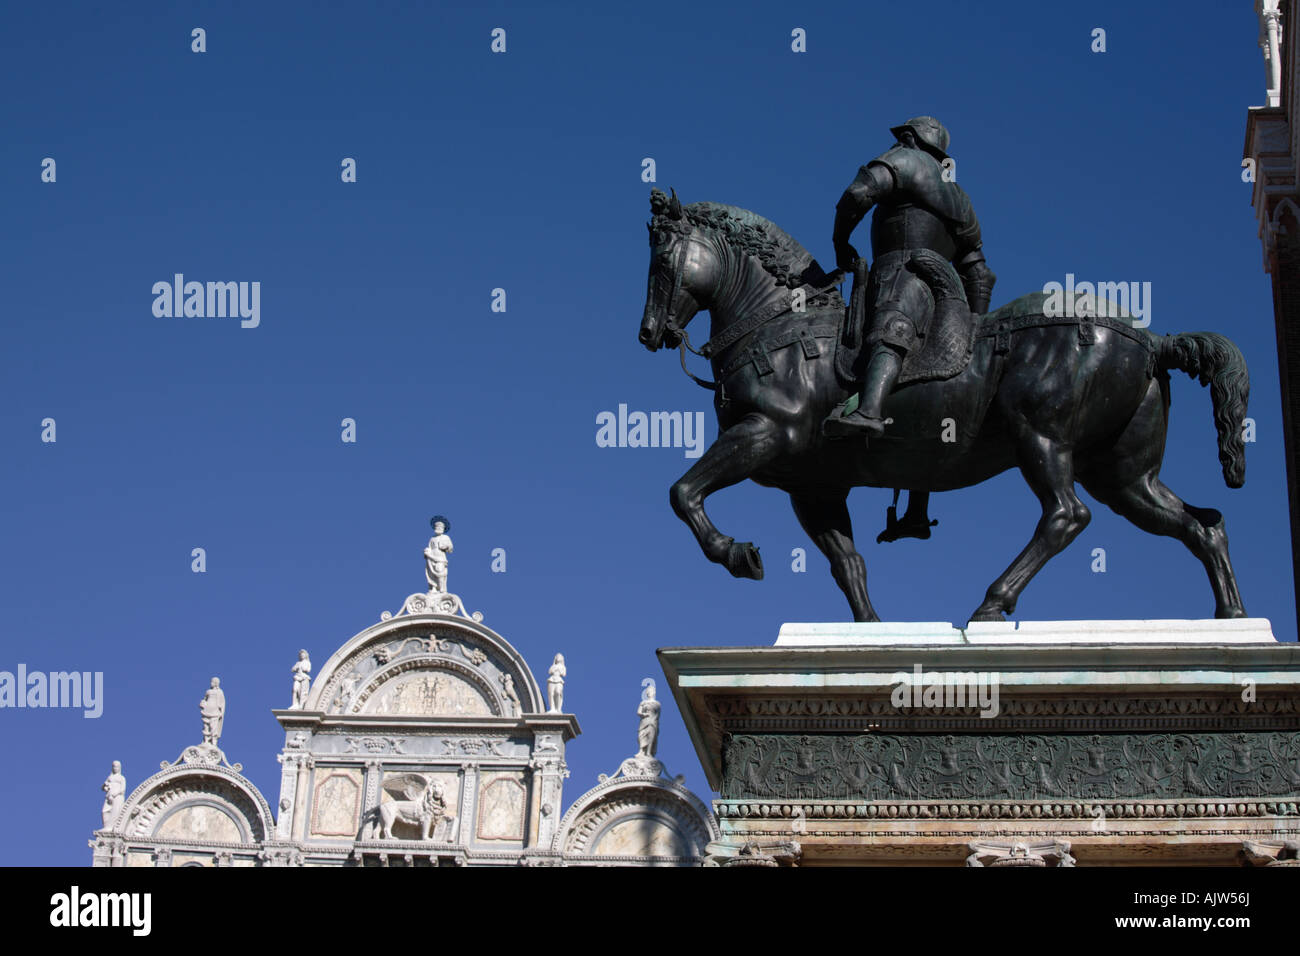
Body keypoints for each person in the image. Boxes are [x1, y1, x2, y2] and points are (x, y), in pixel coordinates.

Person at [824, 116, 996, 441]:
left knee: (892, 327)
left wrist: (840, 241)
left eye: (901, 137)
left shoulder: (907, 158)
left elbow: (858, 193)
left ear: (909, 137)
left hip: (901, 271)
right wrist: (974, 322)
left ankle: (869, 411)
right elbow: (980, 273)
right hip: (947, 293)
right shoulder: (962, 199)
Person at [424, 516, 453, 593]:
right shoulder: (432, 538)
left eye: (440, 527)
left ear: (443, 529)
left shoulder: (445, 537)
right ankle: (434, 587)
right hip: (431, 557)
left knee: (440, 571)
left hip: (440, 557)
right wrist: (427, 551)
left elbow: (450, 549)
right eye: (437, 527)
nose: (438, 528)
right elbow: (429, 547)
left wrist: (445, 546)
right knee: (431, 573)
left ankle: (442, 589)